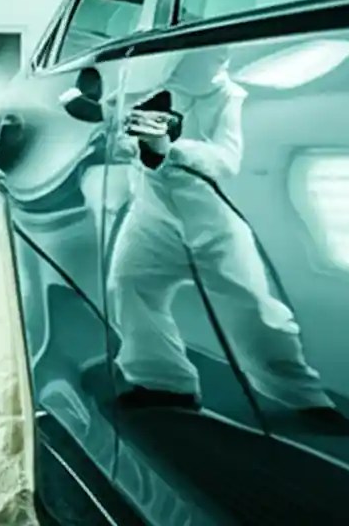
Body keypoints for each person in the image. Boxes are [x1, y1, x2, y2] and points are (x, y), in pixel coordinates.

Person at [110, 49, 336, 413]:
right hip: (152, 215)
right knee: (131, 284)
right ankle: (162, 382)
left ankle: (303, 397)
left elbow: (226, 158)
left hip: (210, 220)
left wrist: (174, 149)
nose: (219, 65)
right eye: (211, 59)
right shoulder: (142, 89)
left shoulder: (229, 97)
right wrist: (130, 141)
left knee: (252, 305)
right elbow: (121, 142)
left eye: (221, 59)